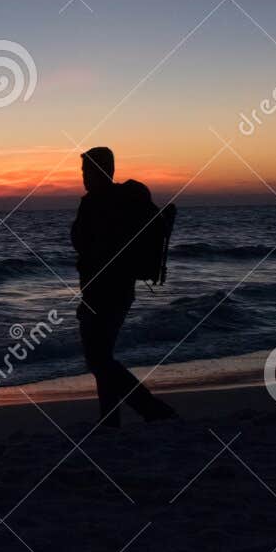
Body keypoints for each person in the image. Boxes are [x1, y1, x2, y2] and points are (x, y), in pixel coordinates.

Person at [71, 147, 177, 426]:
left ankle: (152, 409)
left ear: (99, 171)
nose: (83, 177)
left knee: (98, 359)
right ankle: (111, 419)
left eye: (86, 171)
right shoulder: (120, 200)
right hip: (116, 288)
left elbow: (84, 242)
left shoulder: (99, 203)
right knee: (102, 357)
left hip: (104, 290)